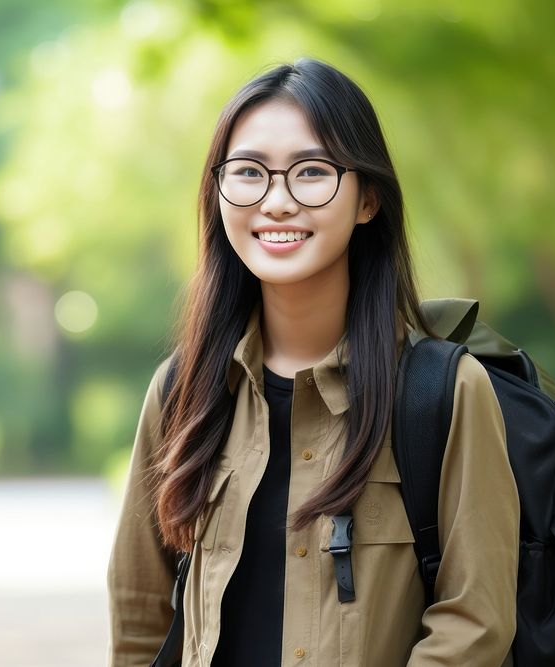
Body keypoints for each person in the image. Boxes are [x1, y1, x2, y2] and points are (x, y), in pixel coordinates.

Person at [107, 57, 519, 667]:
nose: (276, 202)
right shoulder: (182, 391)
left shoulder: (444, 392)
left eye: (311, 172)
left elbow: (474, 622)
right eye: (249, 172)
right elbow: (141, 617)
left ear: (368, 200)